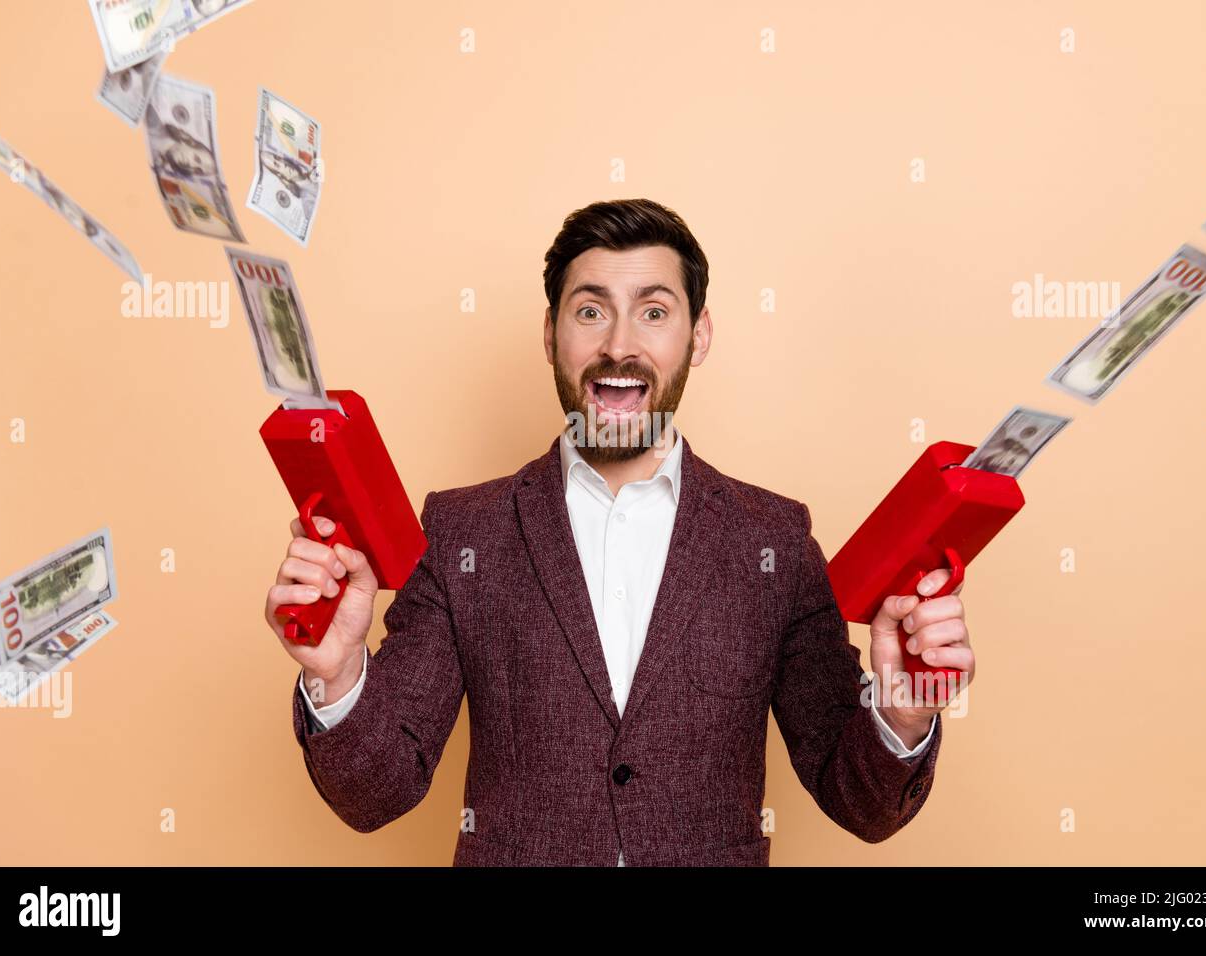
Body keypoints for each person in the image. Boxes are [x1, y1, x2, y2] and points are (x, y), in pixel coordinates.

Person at [263, 198, 974, 866]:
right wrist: (336, 673)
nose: (620, 345)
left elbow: (859, 801)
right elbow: (377, 794)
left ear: (699, 337)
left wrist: (901, 717)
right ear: (550, 334)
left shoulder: (776, 543)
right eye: (591, 310)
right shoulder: (460, 532)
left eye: (654, 311)